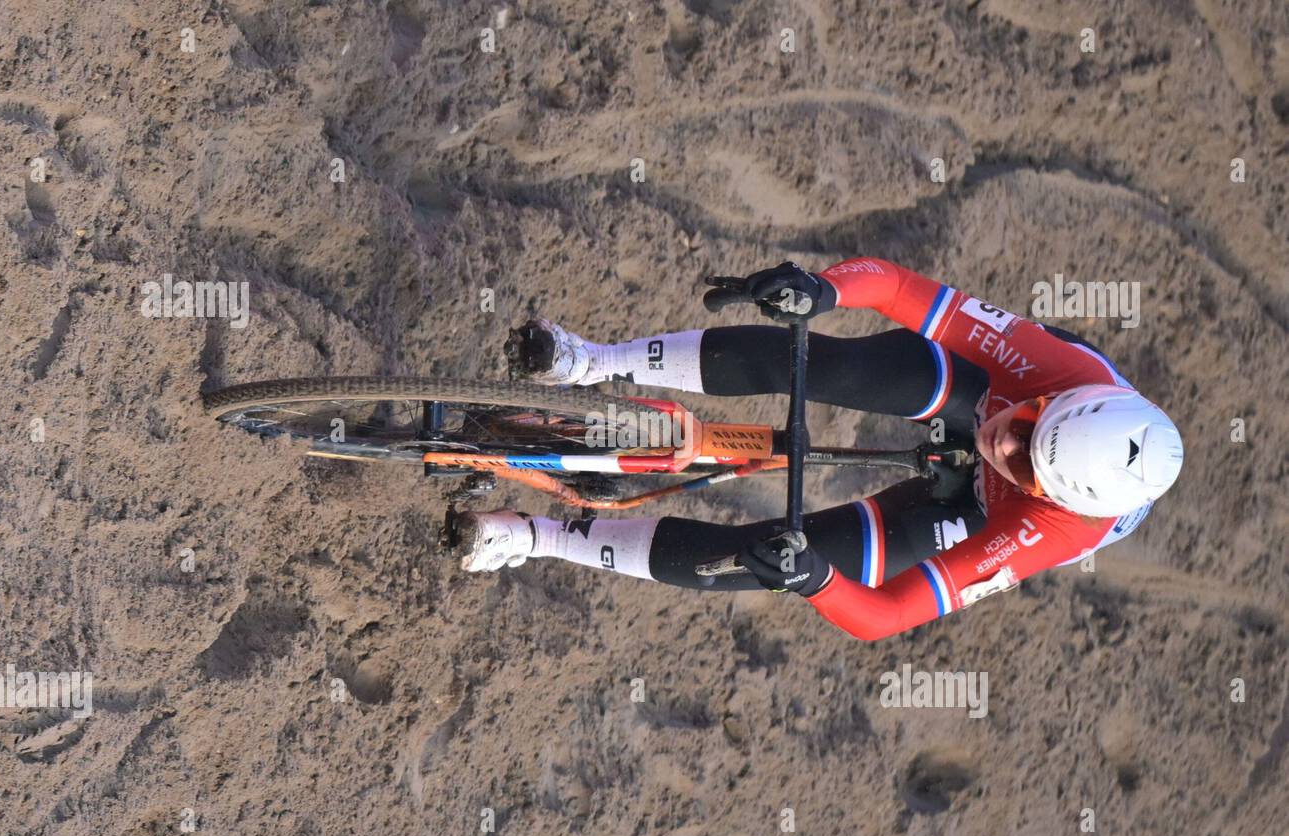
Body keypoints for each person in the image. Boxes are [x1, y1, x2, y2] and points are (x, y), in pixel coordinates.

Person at [454, 258, 1184, 641]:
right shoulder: (1062, 373)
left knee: (753, 564)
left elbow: (885, 616)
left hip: (978, 512)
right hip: (980, 382)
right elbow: (897, 286)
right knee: (823, 363)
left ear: (1050, 495)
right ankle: (587, 362)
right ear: (1057, 395)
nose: (1006, 437)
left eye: (1026, 459)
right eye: (1031, 419)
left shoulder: (1045, 531)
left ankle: (538, 536)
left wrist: (812, 580)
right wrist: (821, 292)